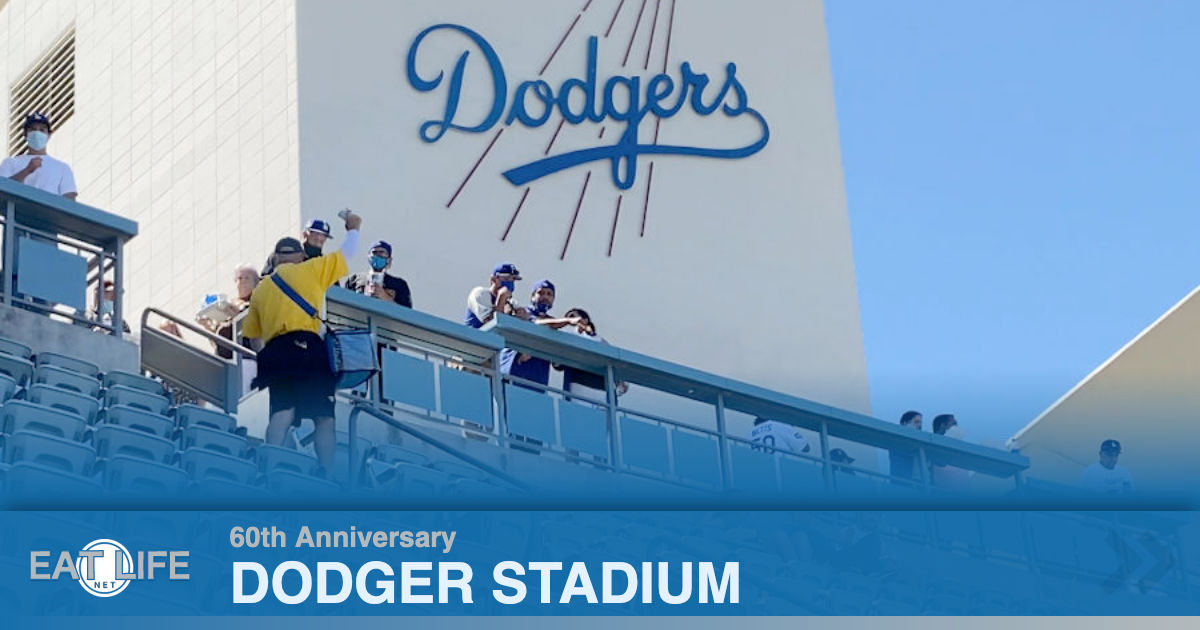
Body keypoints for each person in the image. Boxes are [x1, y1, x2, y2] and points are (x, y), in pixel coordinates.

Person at [242, 212, 362, 473]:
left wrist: (269, 360)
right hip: (310, 347)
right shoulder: (311, 269)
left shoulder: (261, 290)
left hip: (276, 351)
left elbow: (253, 336)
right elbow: (348, 253)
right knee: (323, 418)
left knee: (281, 412)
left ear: (276, 259)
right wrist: (353, 229)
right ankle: (327, 474)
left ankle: (269, 466)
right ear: (299, 256)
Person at [499, 280, 582, 388]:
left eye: (549, 294)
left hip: (538, 381)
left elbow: (557, 361)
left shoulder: (552, 322)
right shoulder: (521, 312)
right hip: (512, 374)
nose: (545, 297)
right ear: (533, 296)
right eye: (541, 293)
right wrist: (567, 321)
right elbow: (540, 324)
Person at [0, 113, 77, 200]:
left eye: (42, 130)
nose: (37, 133)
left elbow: (70, 198)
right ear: (25, 134)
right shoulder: (10, 163)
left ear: (49, 135)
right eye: (33, 129)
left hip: (50, 213)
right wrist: (27, 170)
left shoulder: (62, 168)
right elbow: (3, 189)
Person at [557, 308, 628, 398]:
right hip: (577, 387)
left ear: (585, 320)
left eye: (572, 316)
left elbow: (613, 360)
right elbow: (558, 364)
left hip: (602, 391)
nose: (570, 321)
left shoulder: (599, 341)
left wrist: (621, 380)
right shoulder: (567, 338)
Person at [343, 240, 412, 308]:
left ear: (389, 259)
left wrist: (384, 296)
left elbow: (407, 312)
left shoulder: (399, 284)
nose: (378, 255)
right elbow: (343, 303)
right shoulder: (355, 279)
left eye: (382, 253)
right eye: (374, 252)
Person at [261, 218, 333, 276]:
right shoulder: (286, 253)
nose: (320, 238)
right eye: (316, 233)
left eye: (324, 236)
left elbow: (335, 289)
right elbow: (265, 277)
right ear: (305, 234)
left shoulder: (326, 264)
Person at [465, 263, 524, 328]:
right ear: (494, 279)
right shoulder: (480, 293)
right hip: (474, 336)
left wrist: (521, 316)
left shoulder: (511, 302)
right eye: (506, 279)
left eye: (513, 280)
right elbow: (490, 323)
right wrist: (501, 298)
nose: (510, 283)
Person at [930, 413, 970, 490]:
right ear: (942, 425)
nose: (957, 427)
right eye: (954, 424)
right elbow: (940, 463)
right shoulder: (931, 445)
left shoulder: (959, 451)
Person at [889, 410, 922, 482]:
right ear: (904, 423)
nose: (919, 426)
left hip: (919, 484)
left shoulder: (921, 445)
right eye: (916, 422)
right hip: (903, 483)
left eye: (920, 423)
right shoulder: (897, 441)